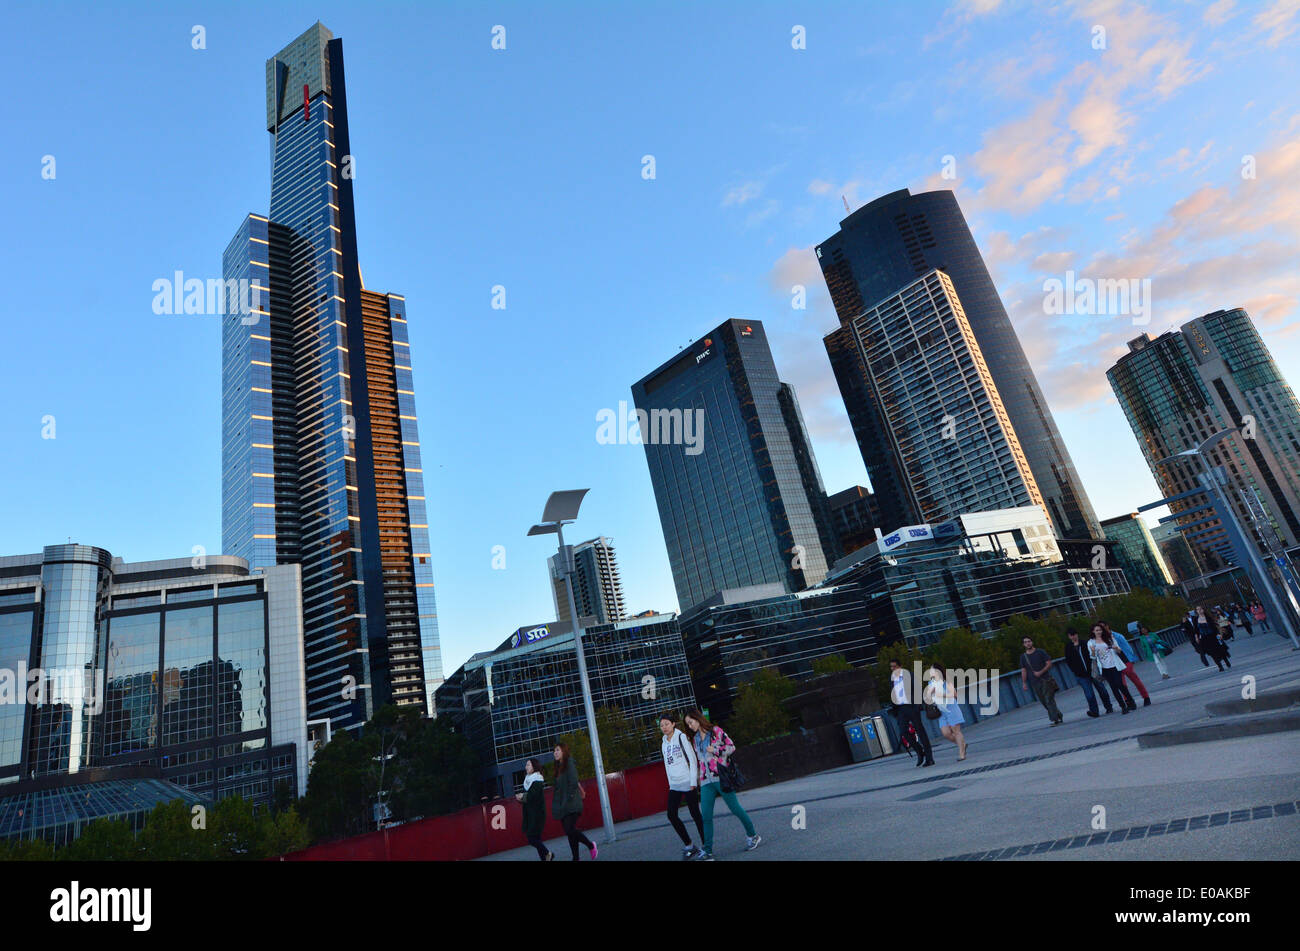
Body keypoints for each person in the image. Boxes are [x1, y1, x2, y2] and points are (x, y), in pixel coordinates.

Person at [683, 708, 760, 860]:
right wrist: (698, 779)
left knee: (735, 808)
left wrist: (716, 749)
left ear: (698, 719)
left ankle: (753, 835)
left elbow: (731, 747)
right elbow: (699, 761)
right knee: (706, 816)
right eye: (688, 724)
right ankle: (708, 851)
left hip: (721, 777)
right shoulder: (695, 739)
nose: (690, 726)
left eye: (691, 722)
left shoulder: (715, 731)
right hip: (706, 781)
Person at [659, 713, 704, 860]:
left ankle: (706, 846)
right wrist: (670, 783)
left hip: (687, 782)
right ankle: (690, 845)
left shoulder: (681, 737)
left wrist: (693, 782)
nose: (664, 727)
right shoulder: (664, 742)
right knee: (671, 814)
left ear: (673, 724)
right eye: (661, 725)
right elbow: (667, 764)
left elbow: (692, 759)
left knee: (695, 815)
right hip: (675, 784)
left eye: (666, 724)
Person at [550, 743, 597, 861]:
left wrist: (570, 796)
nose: (555, 753)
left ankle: (591, 845)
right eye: (554, 751)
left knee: (570, 829)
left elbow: (574, 780)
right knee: (569, 832)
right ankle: (576, 858)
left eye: (557, 750)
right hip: (563, 805)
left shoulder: (569, 763)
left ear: (564, 752)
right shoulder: (558, 767)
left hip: (572, 803)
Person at [888, 658, 935, 767]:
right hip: (900, 708)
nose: (892, 669)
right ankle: (919, 752)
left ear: (900, 666)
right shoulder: (892, 679)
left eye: (894, 666)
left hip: (912, 707)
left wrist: (917, 705)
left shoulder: (909, 675)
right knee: (903, 731)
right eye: (891, 667)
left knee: (920, 731)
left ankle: (929, 758)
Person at [1063, 627, 1114, 717]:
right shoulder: (1068, 647)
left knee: (1102, 690)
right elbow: (1069, 661)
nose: (1073, 637)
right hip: (1081, 675)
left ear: (1077, 634)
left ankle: (1108, 707)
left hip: (1092, 671)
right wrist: (1075, 671)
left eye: (1074, 634)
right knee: (1089, 694)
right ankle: (1094, 711)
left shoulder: (1085, 643)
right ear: (1069, 637)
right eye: (1071, 635)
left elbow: (1093, 655)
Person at [1089, 624, 1137, 713]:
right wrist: (1092, 651)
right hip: (1104, 667)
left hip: (1115, 665)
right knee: (1113, 687)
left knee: (1120, 684)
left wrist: (1116, 648)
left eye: (1100, 630)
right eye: (1096, 630)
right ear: (1093, 631)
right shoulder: (1091, 642)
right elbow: (1093, 657)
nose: (1099, 632)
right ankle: (1123, 706)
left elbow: (1119, 651)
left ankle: (1131, 701)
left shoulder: (1109, 639)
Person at [925, 663, 968, 760]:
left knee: (956, 731)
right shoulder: (930, 683)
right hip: (941, 711)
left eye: (931, 670)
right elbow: (928, 697)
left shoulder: (947, 681)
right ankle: (962, 744)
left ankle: (962, 754)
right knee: (946, 733)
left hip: (951, 708)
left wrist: (940, 694)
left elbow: (955, 695)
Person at [515, 757, 554, 861]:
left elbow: (533, 795)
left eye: (528, 765)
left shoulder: (537, 779)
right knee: (537, 839)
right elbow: (528, 794)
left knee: (532, 839)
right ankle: (546, 858)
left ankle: (548, 853)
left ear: (534, 766)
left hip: (537, 814)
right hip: (531, 813)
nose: (526, 767)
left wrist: (522, 796)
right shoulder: (528, 778)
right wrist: (521, 796)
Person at [1020, 636, 1063, 725]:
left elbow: (1049, 664)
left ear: (1032, 642)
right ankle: (1058, 714)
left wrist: (1040, 672)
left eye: (1029, 641)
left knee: (1049, 699)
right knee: (1044, 701)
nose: (1028, 643)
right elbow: (1023, 670)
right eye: (1025, 642)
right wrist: (1024, 682)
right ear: (1023, 644)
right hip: (1034, 682)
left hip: (1045, 680)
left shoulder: (1040, 652)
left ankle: (1055, 720)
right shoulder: (1023, 657)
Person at [1112, 626, 1151, 707]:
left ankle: (1146, 697)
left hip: (1126, 660)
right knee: (1121, 683)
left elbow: (1127, 647)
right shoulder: (1102, 639)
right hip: (1116, 662)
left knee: (1134, 679)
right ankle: (1128, 701)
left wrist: (1131, 659)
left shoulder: (1117, 636)